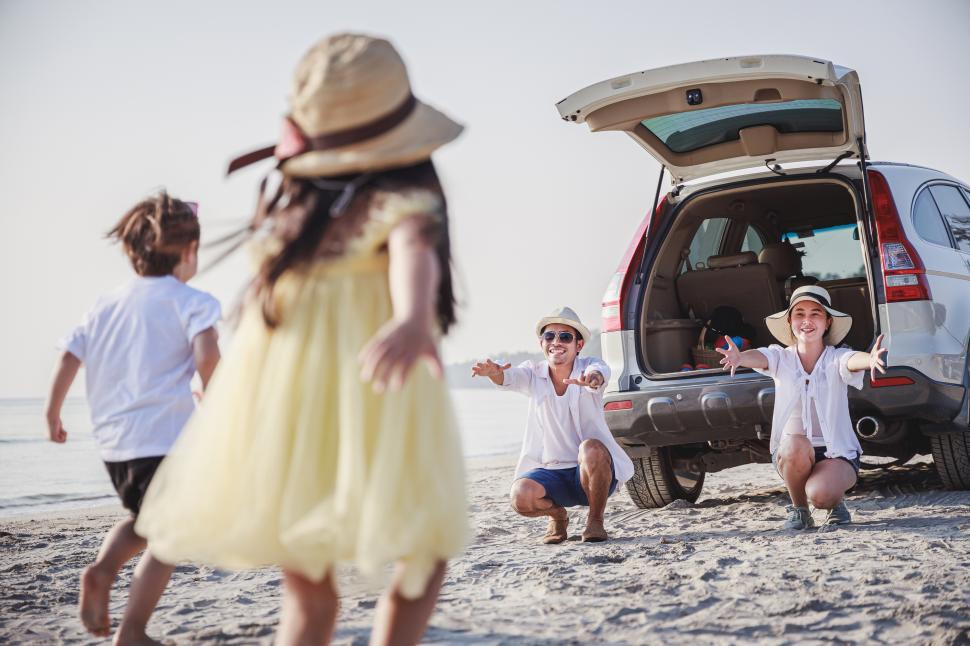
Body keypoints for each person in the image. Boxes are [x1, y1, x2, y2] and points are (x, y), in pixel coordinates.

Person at [133, 33, 468, 645]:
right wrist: (416, 318)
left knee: (309, 594)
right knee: (423, 553)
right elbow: (414, 249)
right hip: (379, 392)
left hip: (288, 404)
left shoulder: (291, 210)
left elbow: (404, 256)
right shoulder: (401, 194)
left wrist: (415, 312)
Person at [43, 193, 221, 641]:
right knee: (170, 537)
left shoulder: (105, 304)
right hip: (165, 441)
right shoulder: (192, 301)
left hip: (117, 447)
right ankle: (132, 627)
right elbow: (208, 356)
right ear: (190, 251)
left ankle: (102, 575)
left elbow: (69, 356)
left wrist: (52, 411)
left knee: (146, 523)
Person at [716, 285, 887, 530]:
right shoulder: (781, 358)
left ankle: (834, 503)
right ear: (790, 321)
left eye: (815, 314)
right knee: (796, 444)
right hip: (793, 452)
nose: (807, 320)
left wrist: (870, 359)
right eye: (800, 314)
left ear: (827, 322)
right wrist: (741, 358)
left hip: (836, 454)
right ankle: (800, 510)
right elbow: (761, 356)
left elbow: (851, 360)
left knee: (820, 494)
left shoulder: (836, 357)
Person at [472, 307, 634, 544]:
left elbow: (599, 373)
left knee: (591, 448)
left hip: (591, 473)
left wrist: (592, 379)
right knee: (520, 497)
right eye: (550, 336)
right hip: (551, 473)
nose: (556, 342)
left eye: (565, 337)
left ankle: (595, 521)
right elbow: (509, 377)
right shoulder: (532, 373)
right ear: (542, 343)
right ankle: (558, 517)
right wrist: (493, 374)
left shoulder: (590, 366)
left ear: (578, 345)